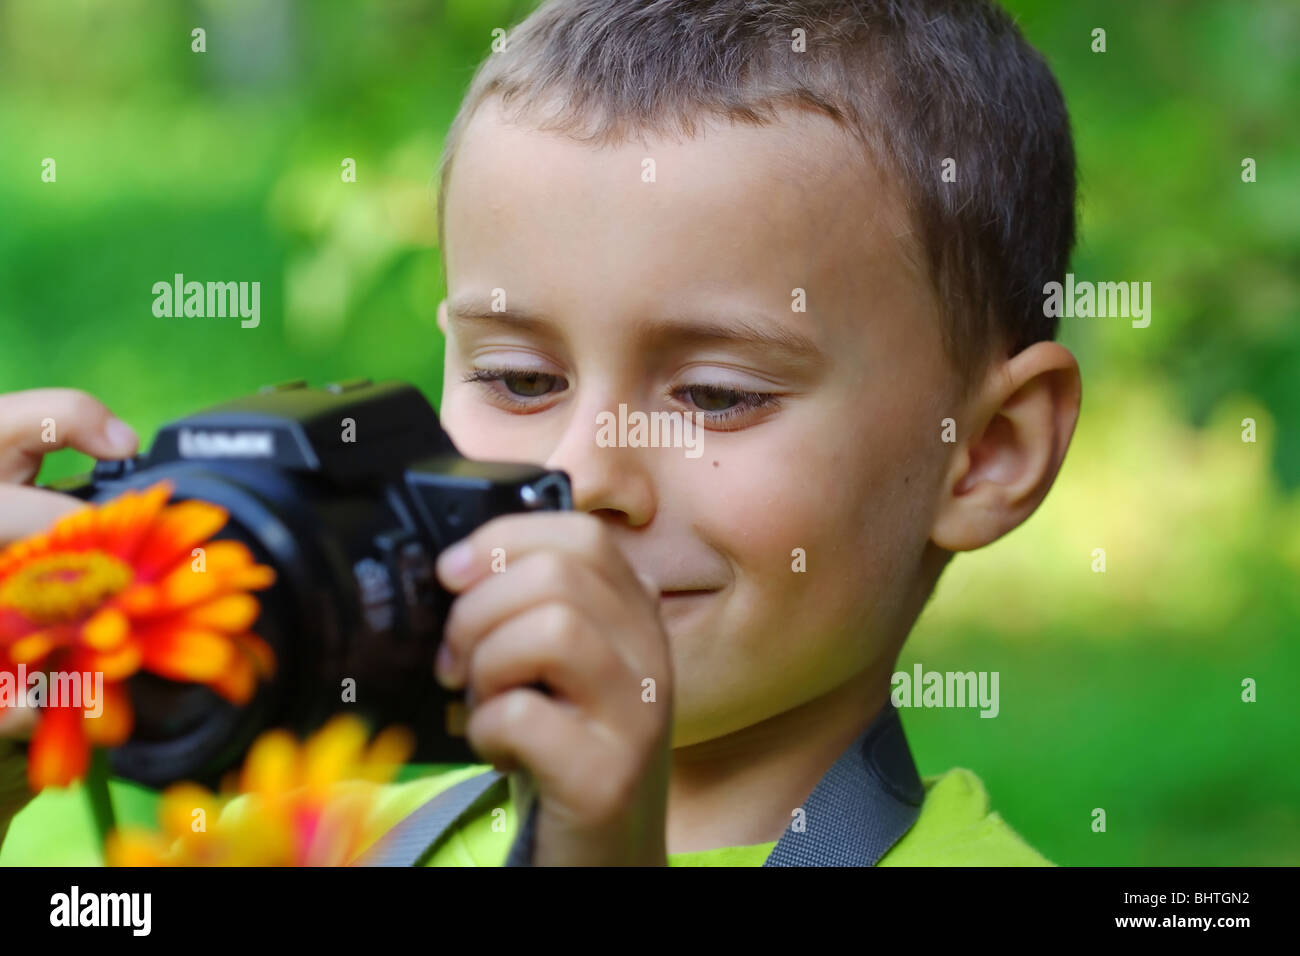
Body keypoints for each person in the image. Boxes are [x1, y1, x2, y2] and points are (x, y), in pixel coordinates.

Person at [1, 0, 1080, 866]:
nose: (580, 470)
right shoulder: (277, 825)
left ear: (986, 449)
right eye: (519, 376)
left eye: (715, 394)